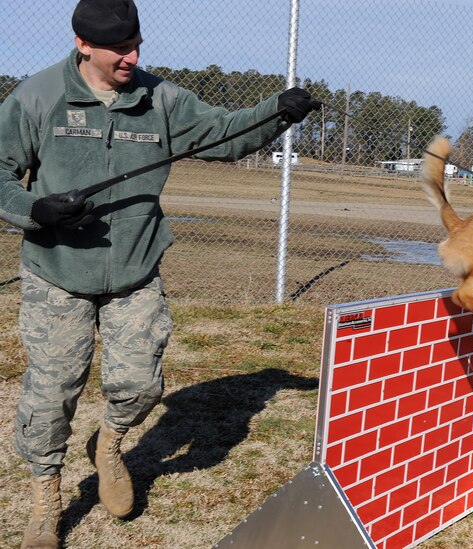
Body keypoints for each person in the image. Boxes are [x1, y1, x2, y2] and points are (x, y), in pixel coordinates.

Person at [0, 1, 319, 547]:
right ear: (84, 45)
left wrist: (278, 112)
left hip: (134, 269)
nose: (133, 57)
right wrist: (35, 210)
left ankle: (110, 442)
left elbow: (224, 133)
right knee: (51, 396)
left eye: (137, 44)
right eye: (120, 48)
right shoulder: (36, 97)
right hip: (57, 272)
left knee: (140, 384)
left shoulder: (160, 98)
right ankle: (45, 497)